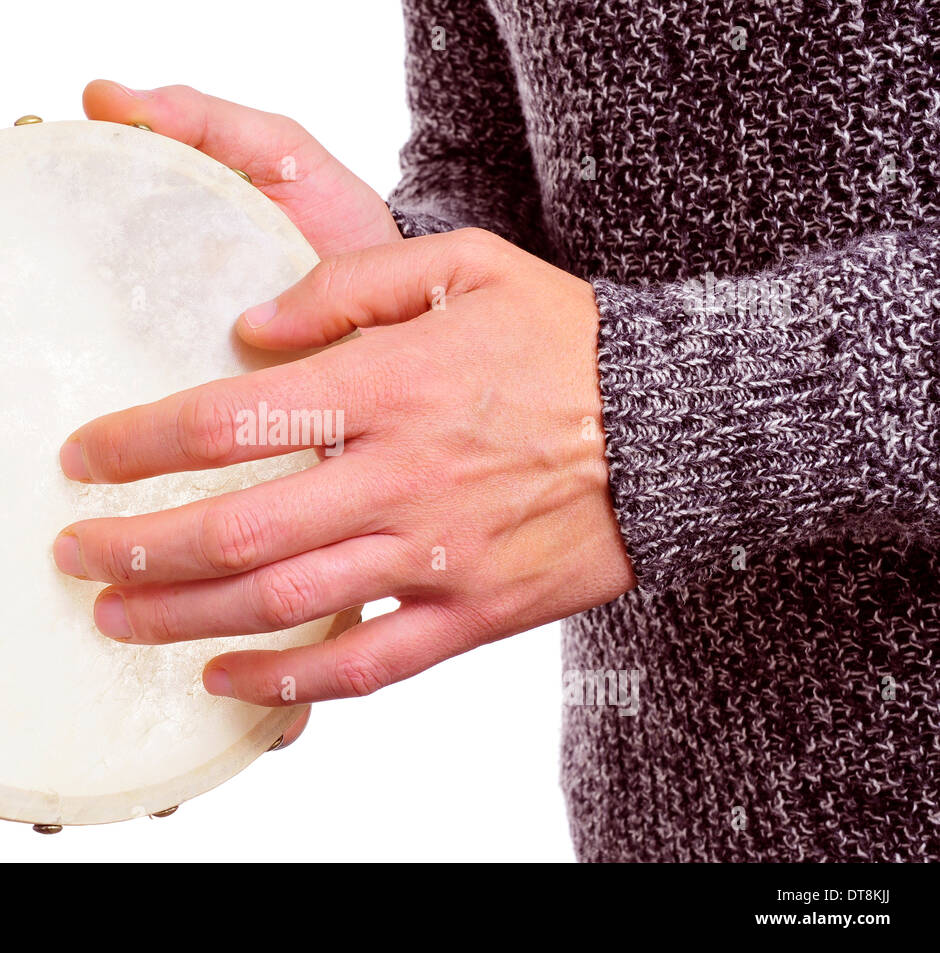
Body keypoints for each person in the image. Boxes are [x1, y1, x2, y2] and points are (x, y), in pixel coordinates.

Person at [55, 0, 939, 861]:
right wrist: (395, 287)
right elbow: (480, 150)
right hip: (657, 804)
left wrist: (659, 405)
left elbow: (619, 387)